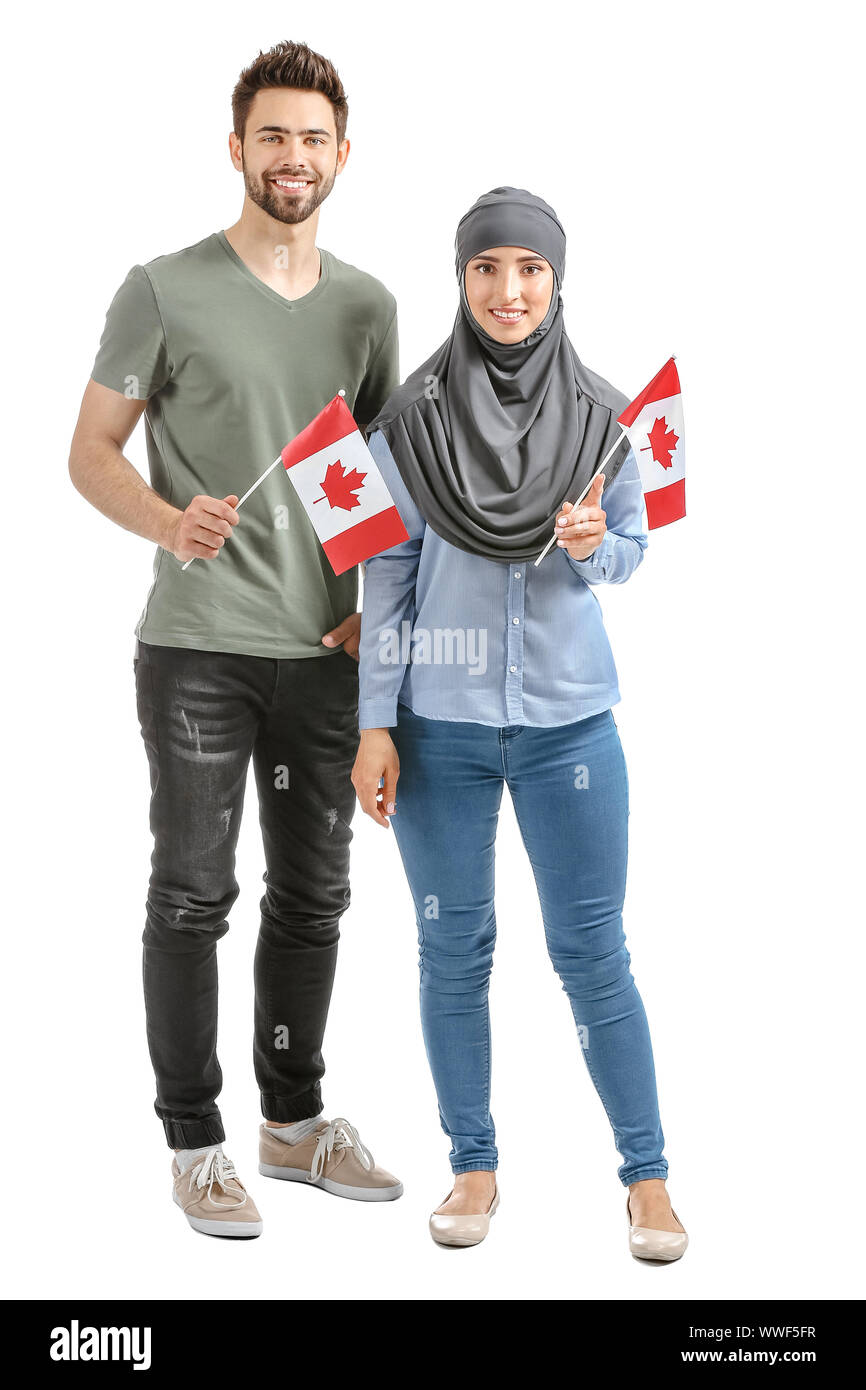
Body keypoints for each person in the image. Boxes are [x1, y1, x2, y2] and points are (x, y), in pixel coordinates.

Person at [69, 40, 403, 1239]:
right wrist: (168, 518)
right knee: (192, 892)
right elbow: (88, 453)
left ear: (341, 156)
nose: (293, 157)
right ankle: (196, 1141)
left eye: (313, 138)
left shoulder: (367, 306)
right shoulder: (161, 288)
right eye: (272, 136)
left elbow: (376, 483)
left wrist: (379, 610)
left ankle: (295, 1124)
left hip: (326, 653)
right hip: (199, 647)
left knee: (315, 897)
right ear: (237, 149)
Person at [353, 187, 687, 1259]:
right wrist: (373, 726)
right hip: (436, 727)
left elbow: (631, 556)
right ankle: (473, 1166)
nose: (507, 291)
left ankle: (646, 1179)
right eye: (485, 268)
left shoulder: (604, 415)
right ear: (460, 280)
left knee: (594, 954)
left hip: (569, 729)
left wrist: (591, 544)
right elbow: (387, 582)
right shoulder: (409, 420)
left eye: (528, 269)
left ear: (556, 279)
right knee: (452, 951)